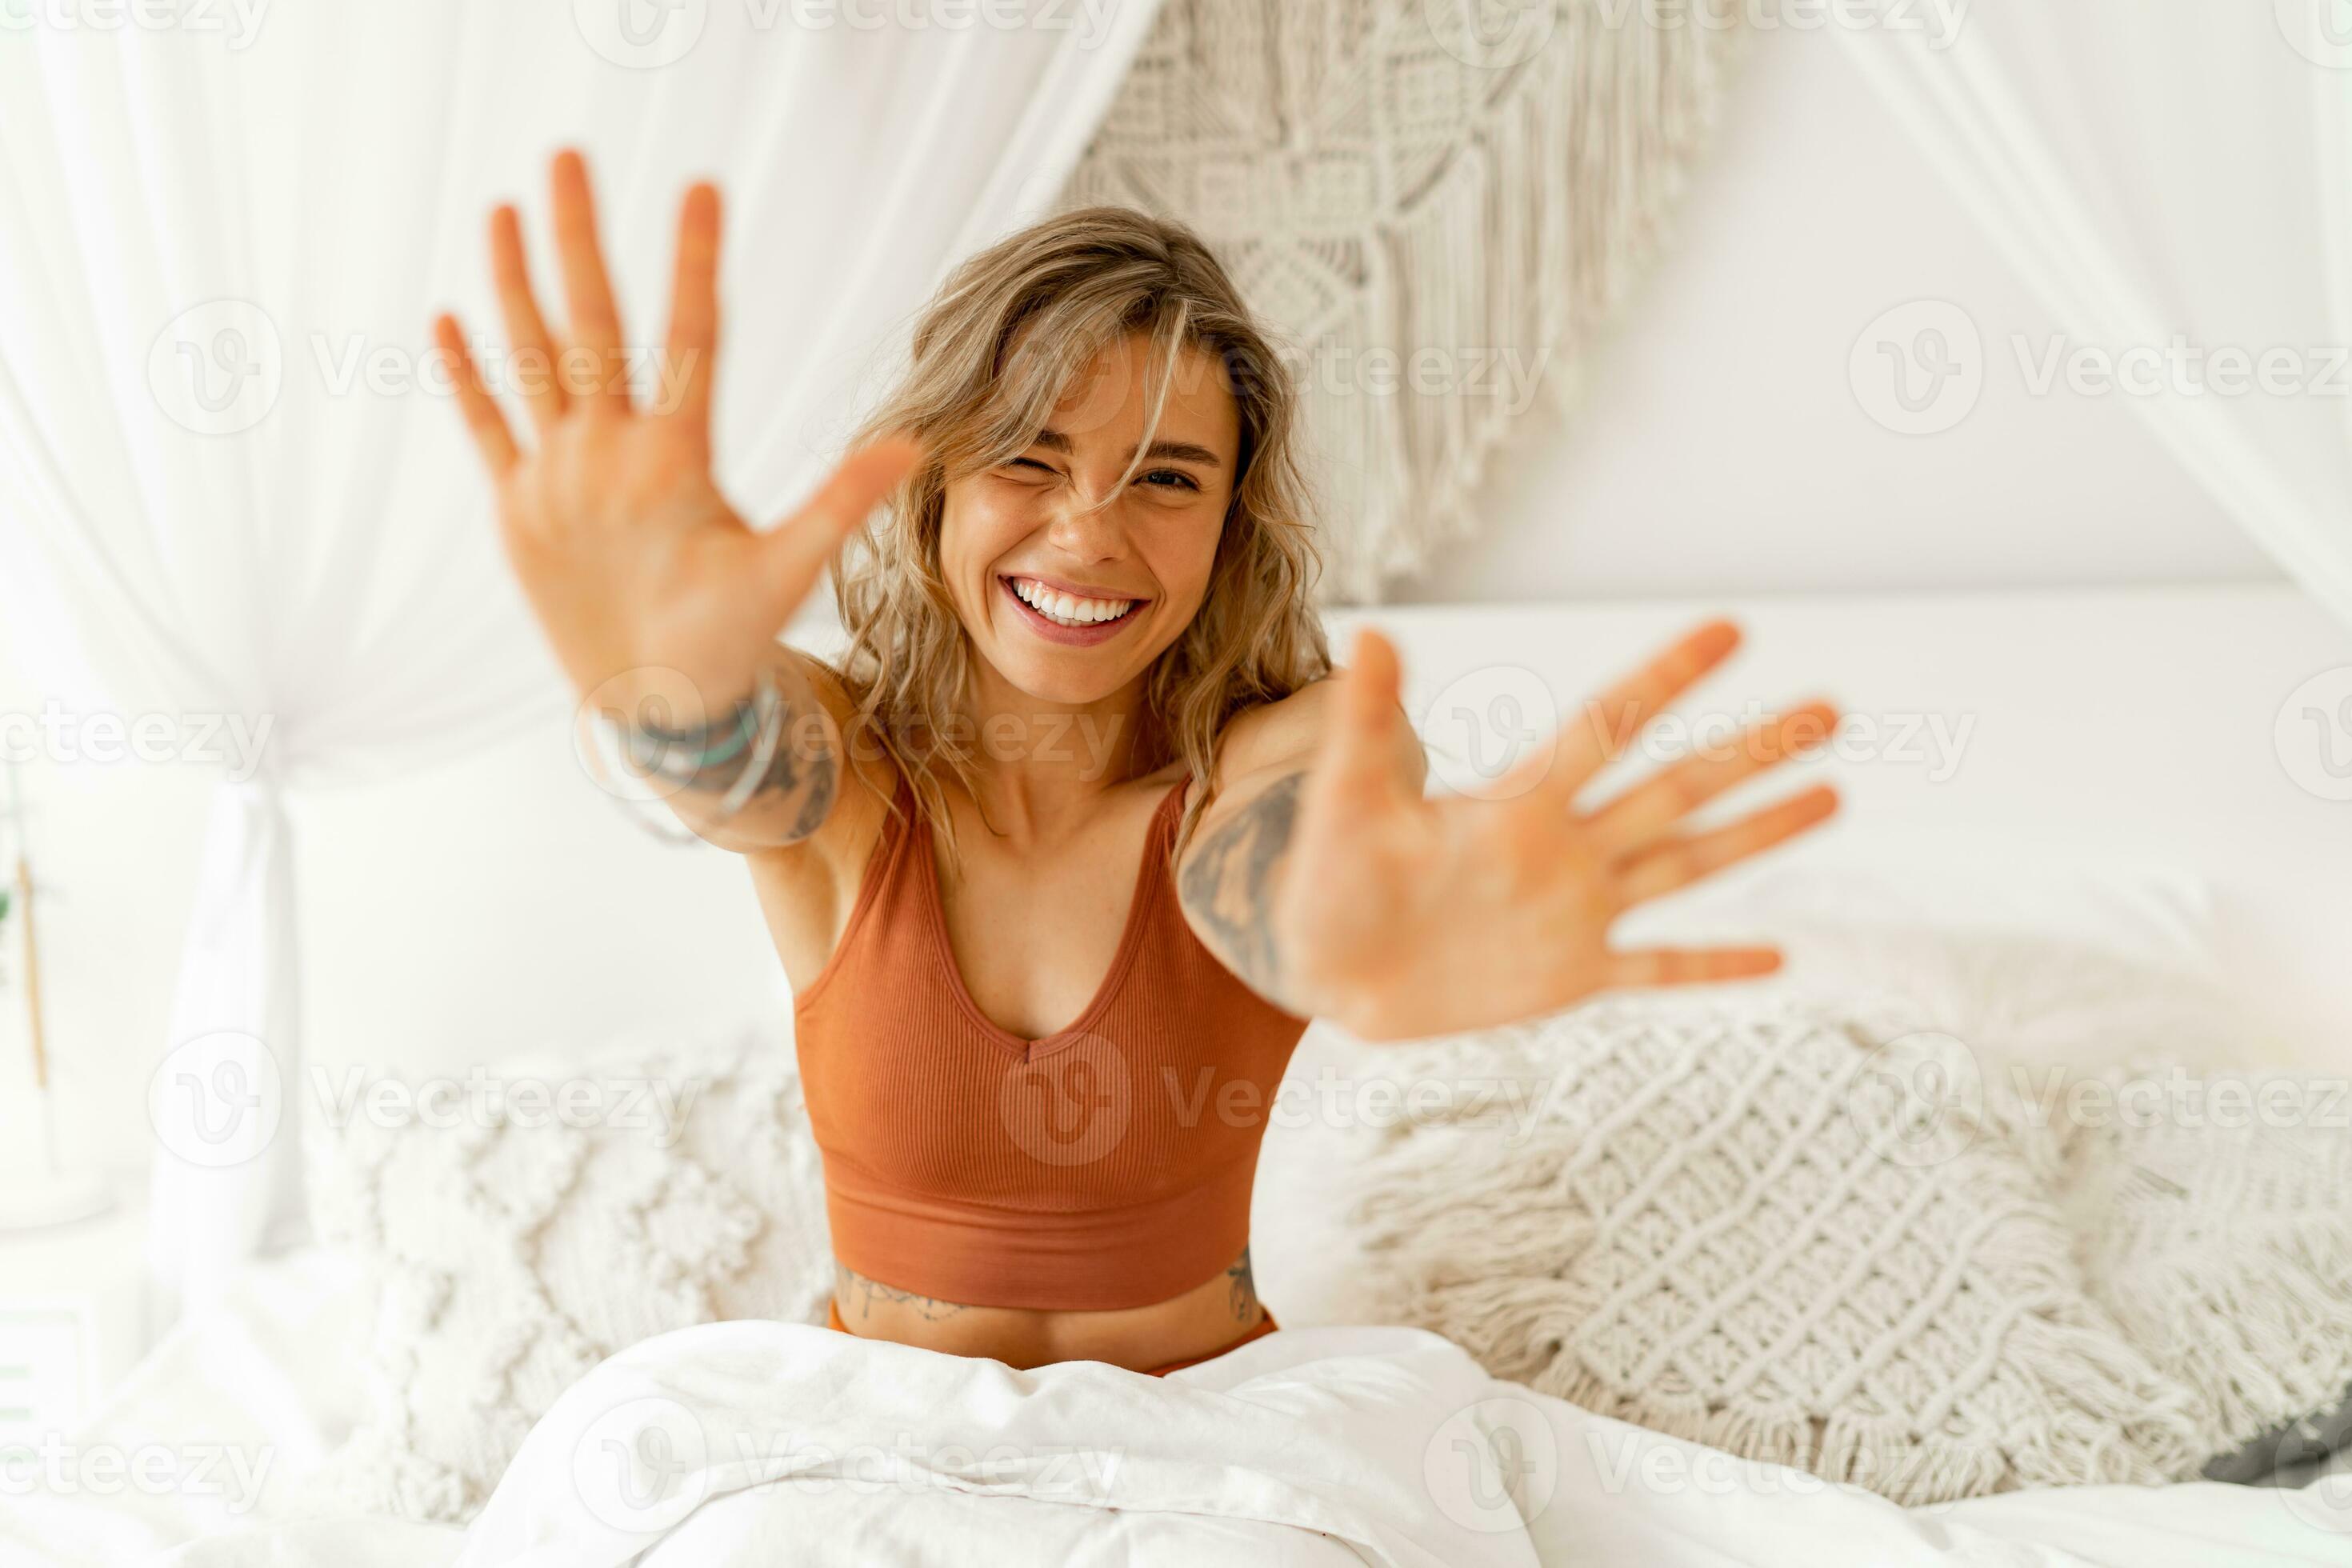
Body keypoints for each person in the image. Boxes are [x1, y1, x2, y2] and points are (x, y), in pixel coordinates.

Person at [432, 150, 1841, 1377]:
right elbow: (730, 763)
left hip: (1211, 1456)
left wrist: (1366, 935)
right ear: (932, 497)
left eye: (1167, 477)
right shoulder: (849, 767)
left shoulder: (1291, 750)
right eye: (1028, 462)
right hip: (870, 1445)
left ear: (1231, 526)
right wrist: (665, 688)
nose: (1088, 535)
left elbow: (1291, 875)